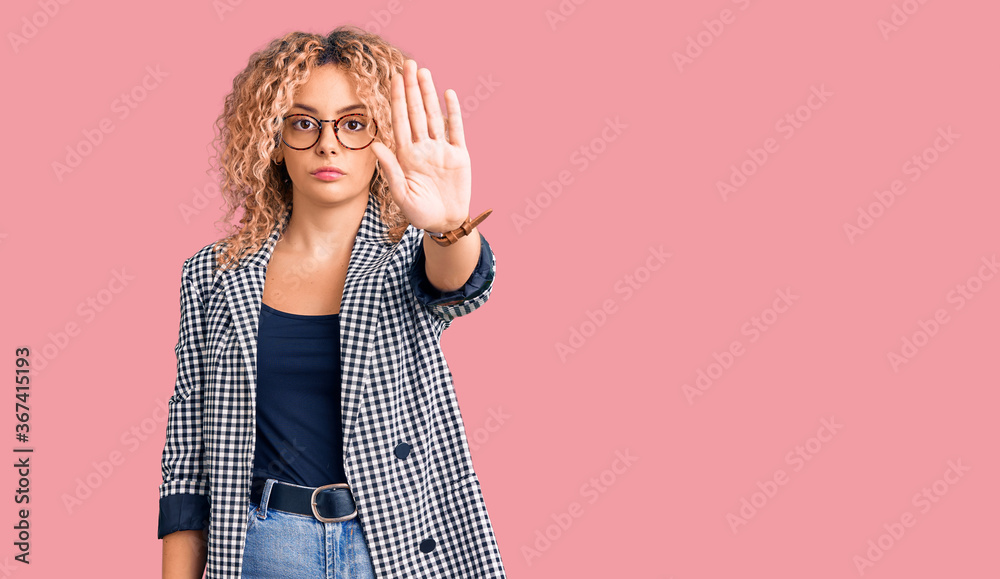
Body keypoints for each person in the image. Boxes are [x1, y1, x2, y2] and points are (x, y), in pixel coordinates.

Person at [158, 26, 506, 579]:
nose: (327, 143)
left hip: (397, 545)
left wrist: (448, 226)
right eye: (303, 123)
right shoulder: (213, 274)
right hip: (262, 547)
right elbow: (188, 459)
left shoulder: (408, 254)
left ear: (384, 137)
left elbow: (460, 285)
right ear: (272, 140)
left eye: (354, 124)